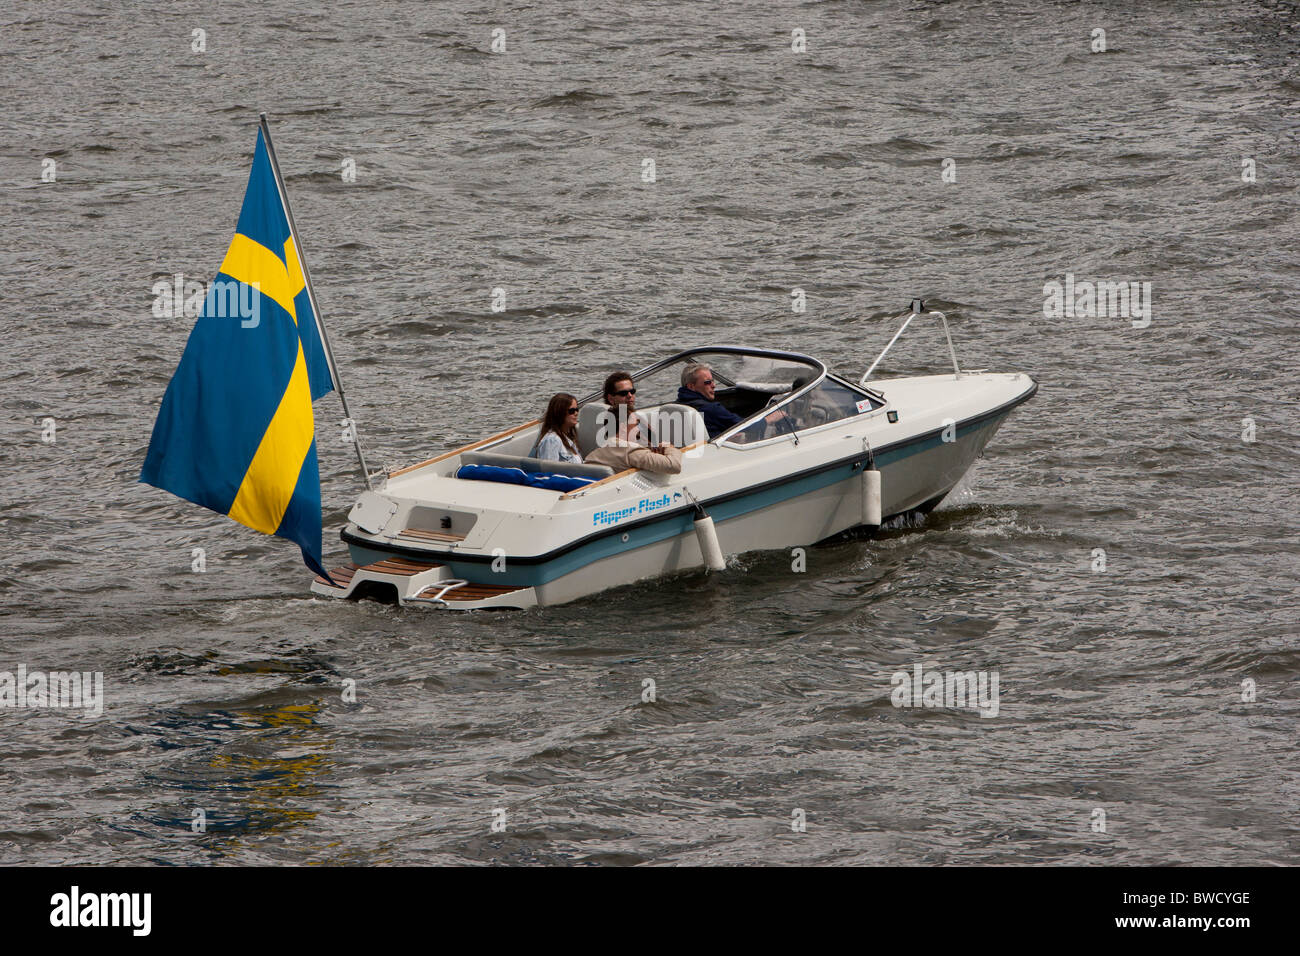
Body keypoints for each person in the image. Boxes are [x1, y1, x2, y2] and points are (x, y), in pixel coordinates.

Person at [586, 410, 682, 474]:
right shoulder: (631, 451)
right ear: (623, 427)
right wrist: (668, 447)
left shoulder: (592, 455)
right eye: (636, 425)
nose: (639, 429)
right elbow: (674, 466)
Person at [676, 363, 742, 439]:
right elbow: (746, 424)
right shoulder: (711, 409)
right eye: (707, 382)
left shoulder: (676, 406)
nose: (714, 385)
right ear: (691, 386)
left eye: (713, 381)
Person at [532, 393, 583, 463]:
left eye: (577, 409)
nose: (576, 413)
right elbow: (549, 470)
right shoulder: (552, 440)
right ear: (560, 413)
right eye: (572, 411)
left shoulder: (569, 437)